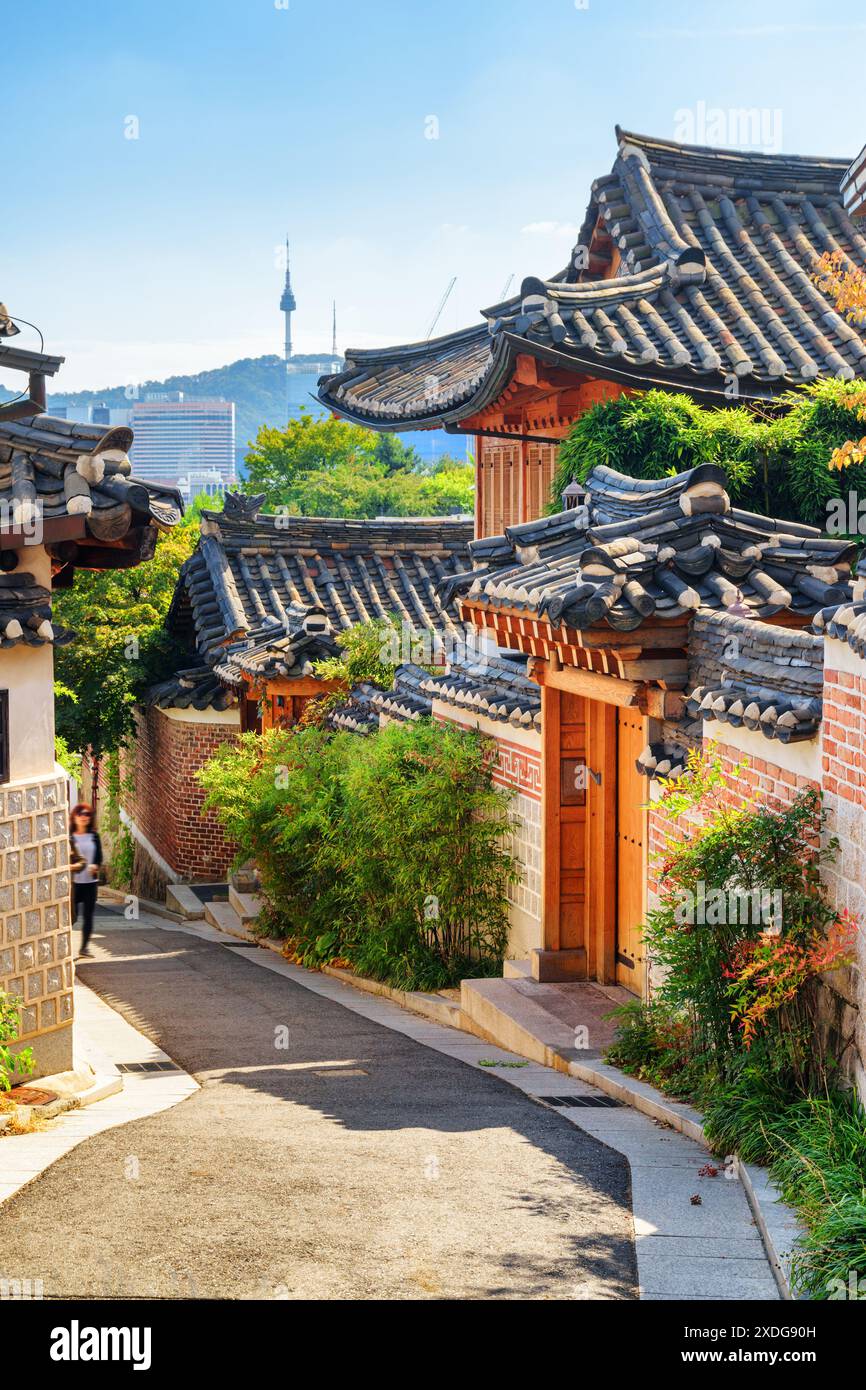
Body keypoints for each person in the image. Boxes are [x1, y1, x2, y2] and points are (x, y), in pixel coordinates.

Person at [69, 803, 103, 959]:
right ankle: (66, 946)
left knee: (88, 916)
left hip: (90, 882)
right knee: (71, 916)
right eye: (81, 814)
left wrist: (96, 865)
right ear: (75, 816)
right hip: (73, 884)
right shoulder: (69, 837)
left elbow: (99, 856)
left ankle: (84, 948)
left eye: (88, 814)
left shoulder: (94, 836)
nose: (84, 817)